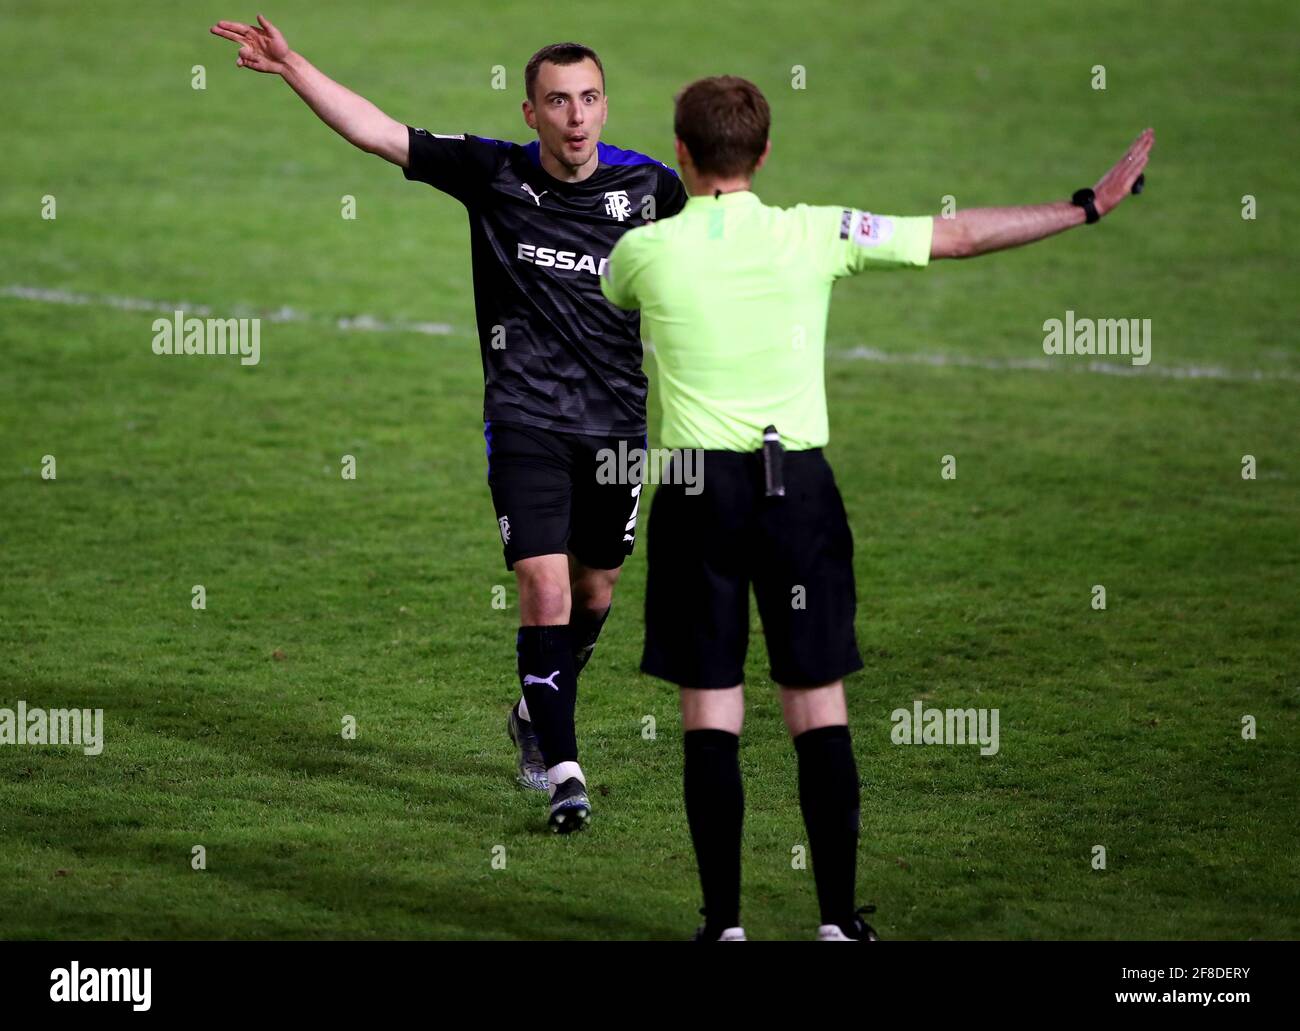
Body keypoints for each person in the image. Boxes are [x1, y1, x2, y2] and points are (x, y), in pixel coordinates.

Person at [601, 75, 1152, 938]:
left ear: (679, 150)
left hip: (695, 493)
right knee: (816, 704)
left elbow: (618, 296)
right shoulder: (819, 232)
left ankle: (724, 927)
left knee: (711, 708)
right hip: (798, 492)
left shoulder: (644, 250)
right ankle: (835, 924)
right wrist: (1086, 206)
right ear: (766, 153)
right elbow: (961, 236)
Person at [209, 16, 688, 833]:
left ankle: (537, 707)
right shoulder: (492, 171)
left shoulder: (652, 189)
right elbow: (378, 133)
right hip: (526, 416)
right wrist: (294, 68)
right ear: (530, 112)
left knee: (596, 590)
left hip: (616, 428)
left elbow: (712, 255)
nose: (576, 117)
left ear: (605, 107)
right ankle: (565, 771)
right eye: (558, 102)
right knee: (544, 584)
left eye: (590, 99)